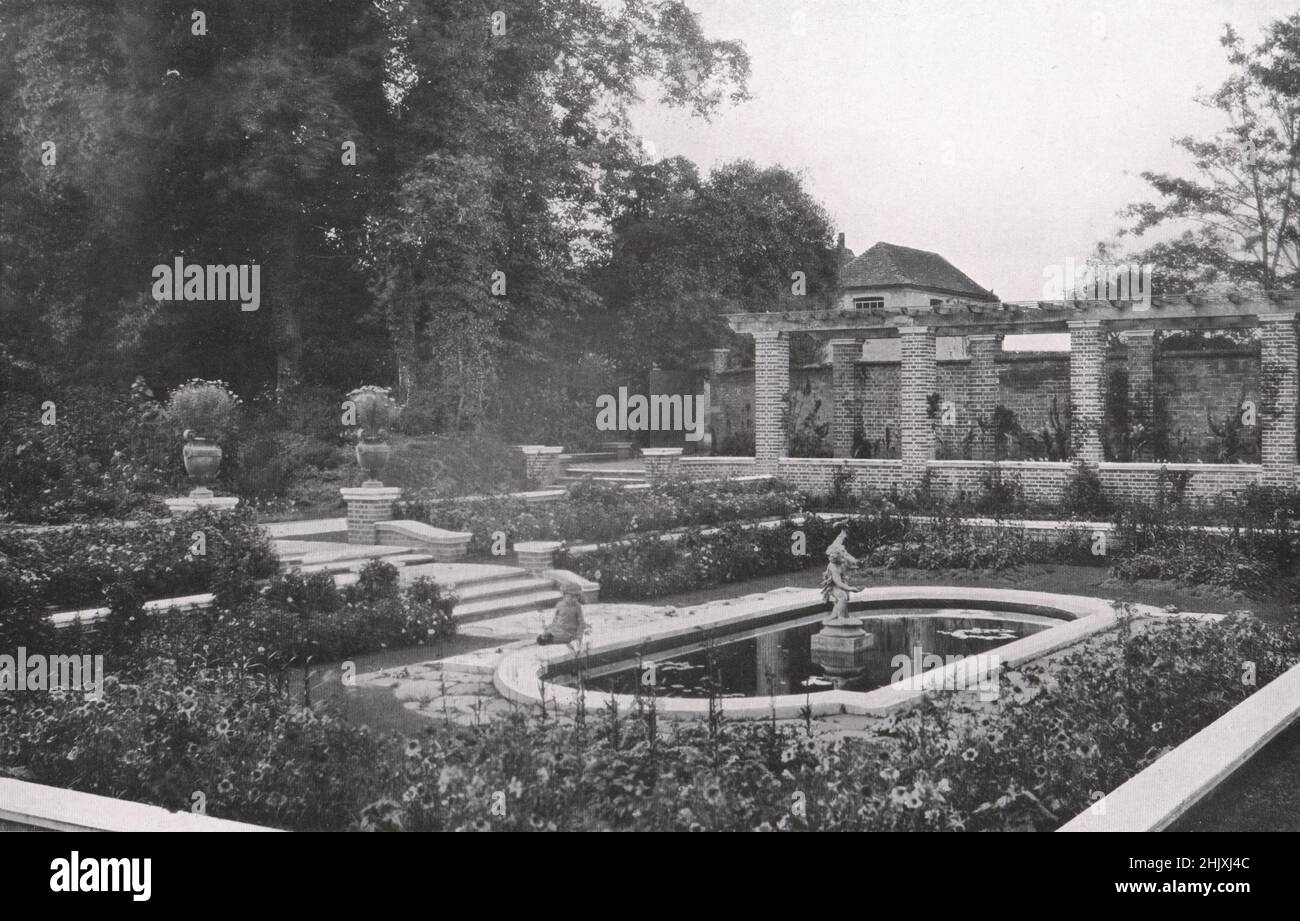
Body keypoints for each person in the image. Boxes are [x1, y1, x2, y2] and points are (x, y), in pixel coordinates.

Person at [820, 530, 864, 621]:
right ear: (836, 557)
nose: (844, 556)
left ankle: (839, 615)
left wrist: (842, 535)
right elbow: (838, 583)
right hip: (833, 586)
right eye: (842, 556)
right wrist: (851, 588)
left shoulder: (839, 558)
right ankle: (841, 618)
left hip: (841, 582)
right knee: (842, 596)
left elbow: (838, 543)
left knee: (845, 597)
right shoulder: (833, 567)